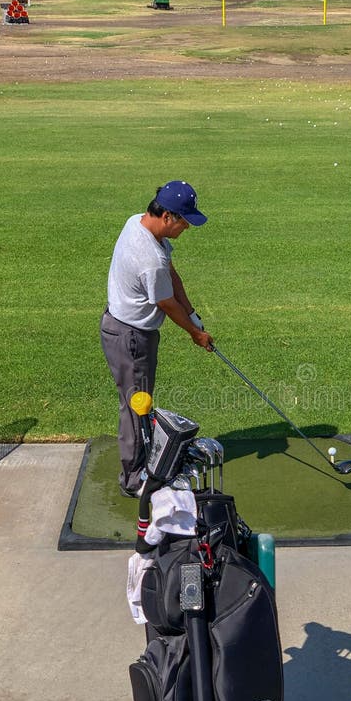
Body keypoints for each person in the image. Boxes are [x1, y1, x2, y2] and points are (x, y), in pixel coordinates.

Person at [100, 180, 213, 497]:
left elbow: (172, 275)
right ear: (167, 217)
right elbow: (166, 302)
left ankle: (144, 460)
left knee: (139, 403)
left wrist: (193, 315)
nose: (186, 228)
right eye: (184, 221)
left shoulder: (137, 222)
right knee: (137, 407)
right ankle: (134, 478)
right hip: (131, 338)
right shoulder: (149, 258)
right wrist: (195, 334)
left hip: (125, 329)